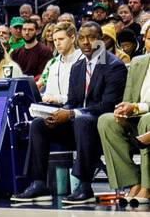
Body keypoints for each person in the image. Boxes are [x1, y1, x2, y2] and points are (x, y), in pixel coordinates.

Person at [11, 21, 128, 206]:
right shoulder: (78, 67)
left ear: (102, 41)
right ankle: (39, 183)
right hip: (76, 127)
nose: (86, 42)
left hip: (100, 127)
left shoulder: (114, 66)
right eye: (82, 38)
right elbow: (72, 102)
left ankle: (84, 186)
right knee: (39, 124)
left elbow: (107, 106)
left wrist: (72, 114)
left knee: (83, 120)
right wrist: (58, 114)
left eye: (91, 38)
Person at [96, 24, 150, 203]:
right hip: (135, 117)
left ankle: (147, 186)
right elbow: (128, 96)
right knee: (107, 121)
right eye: (149, 39)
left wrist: (136, 108)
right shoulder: (137, 62)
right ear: (144, 41)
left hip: (145, 118)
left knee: (147, 121)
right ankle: (132, 181)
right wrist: (121, 110)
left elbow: (137, 106)